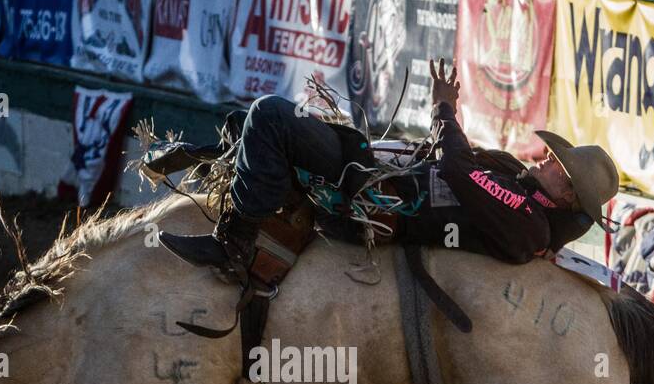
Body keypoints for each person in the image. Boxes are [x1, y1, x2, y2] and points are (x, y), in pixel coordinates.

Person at [159, 60, 619, 283]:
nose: (547, 160)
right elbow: (456, 166)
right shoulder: (519, 190)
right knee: (261, 122)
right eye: (556, 157)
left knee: (271, 116)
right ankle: (212, 157)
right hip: (379, 174)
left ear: (568, 200)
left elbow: (458, 171)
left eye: (560, 169)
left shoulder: (527, 219)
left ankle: (235, 245)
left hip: (378, 195)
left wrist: (444, 109)